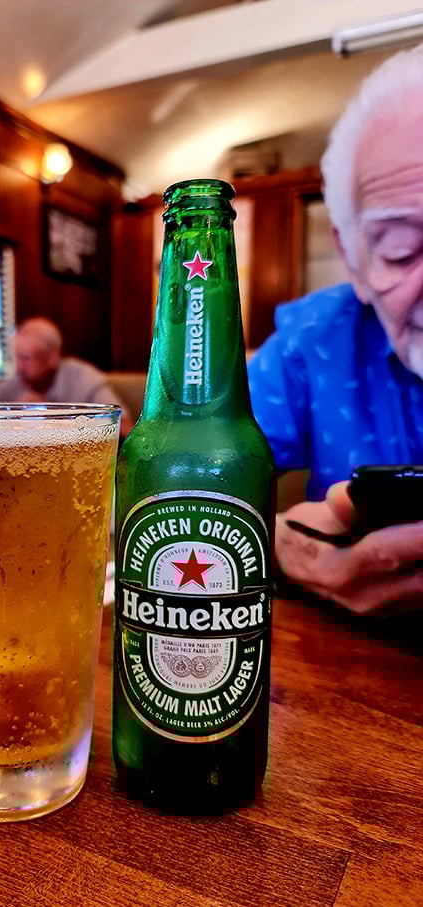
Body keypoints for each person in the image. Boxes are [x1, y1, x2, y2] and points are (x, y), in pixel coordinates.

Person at [247, 44, 423, 616]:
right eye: (402, 250)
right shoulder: (313, 343)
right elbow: (171, 485)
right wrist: (281, 544)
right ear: (352, 257)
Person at [0, 317, 133, 437]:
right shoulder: (16, 380)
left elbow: (122, 424)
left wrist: (51, 416)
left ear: (53, 357)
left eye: (26, 358)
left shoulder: (83, 377)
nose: (18, 367)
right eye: (16, 357)